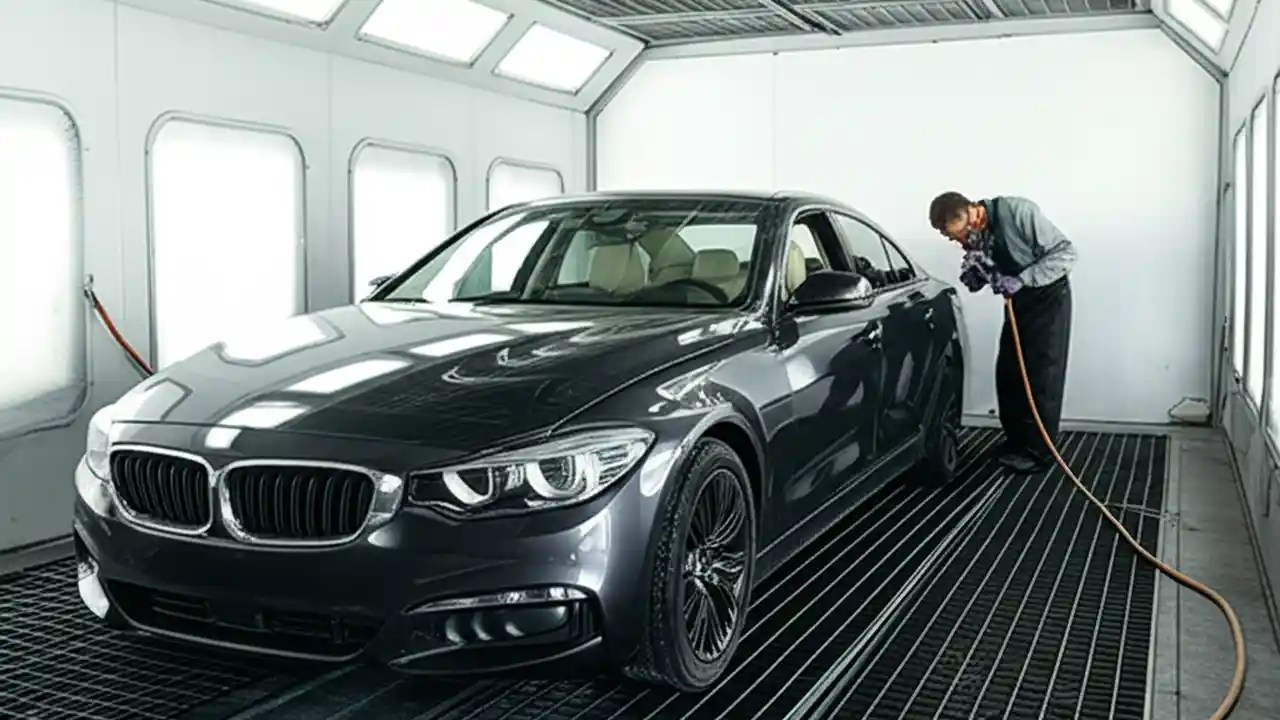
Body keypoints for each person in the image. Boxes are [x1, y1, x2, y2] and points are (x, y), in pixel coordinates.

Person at [928, 192, 1077, 474]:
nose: (959, 243)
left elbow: (1066, 253)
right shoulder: (979, 235)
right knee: (1009, 372)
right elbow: (994, 268)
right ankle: (1017, 443)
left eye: (958, 236)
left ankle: (1039, 453)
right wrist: (980, 275)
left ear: (972, 215)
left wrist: (1023, 279)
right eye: (952, 239)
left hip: (1048, 299)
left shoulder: (1018, 212)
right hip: (1019, 302)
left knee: (1039, 376)